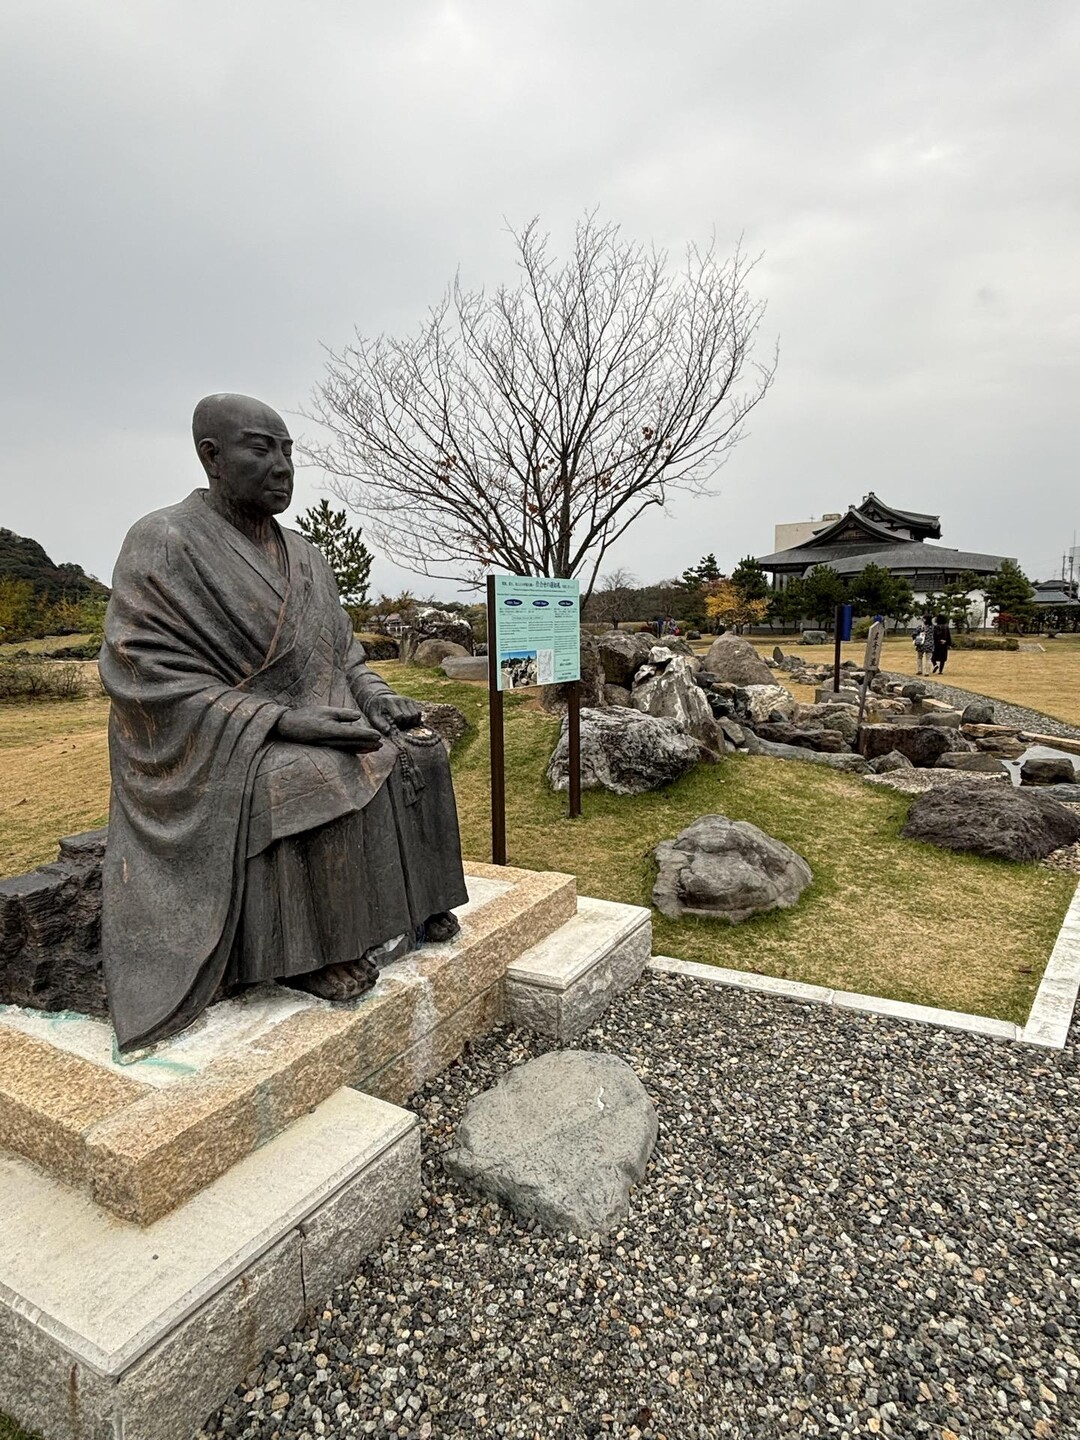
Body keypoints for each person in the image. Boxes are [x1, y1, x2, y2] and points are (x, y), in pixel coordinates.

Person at [99, 393, 469, 1053]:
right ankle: (309, 953)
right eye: (260, 448)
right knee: (315, 776)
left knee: (419, 749)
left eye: (288, 450)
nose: (282, 465)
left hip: (308, 716)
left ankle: (415, 906)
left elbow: (343, 655)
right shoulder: (163, 540)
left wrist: (376, 697)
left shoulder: (306, 555)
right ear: (211, 456)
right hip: (216, 743)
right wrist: (285, 723)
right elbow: (142, 673)